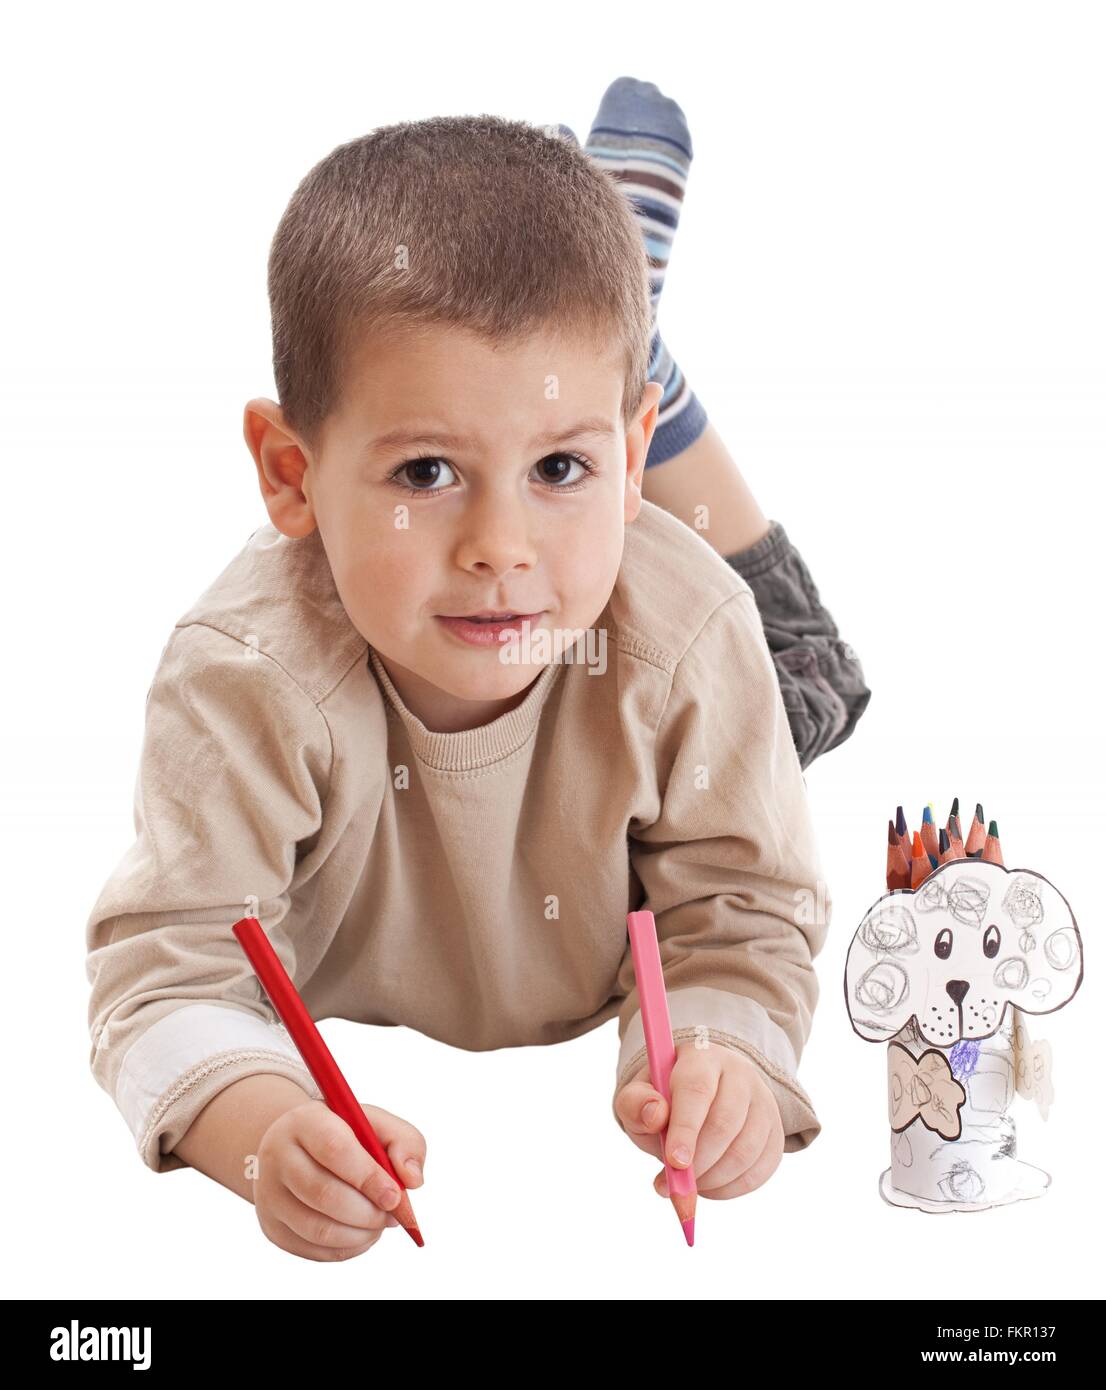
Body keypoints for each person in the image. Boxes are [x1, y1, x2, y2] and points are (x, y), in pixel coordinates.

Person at [86, 79, 862, 1262]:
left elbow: (742, 912)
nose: (499, 549)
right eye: (424, 474)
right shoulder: (241, 678)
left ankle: (624, 303)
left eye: (558, 470)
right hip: (600, 596)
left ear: (629, 459)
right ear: (291, 474)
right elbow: (160, 970)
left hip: (673, 633)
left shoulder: (691, 632)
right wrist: (255, 1129)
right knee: (563, 380)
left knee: (815, 679)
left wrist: (727, 1060)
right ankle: (603, 307)